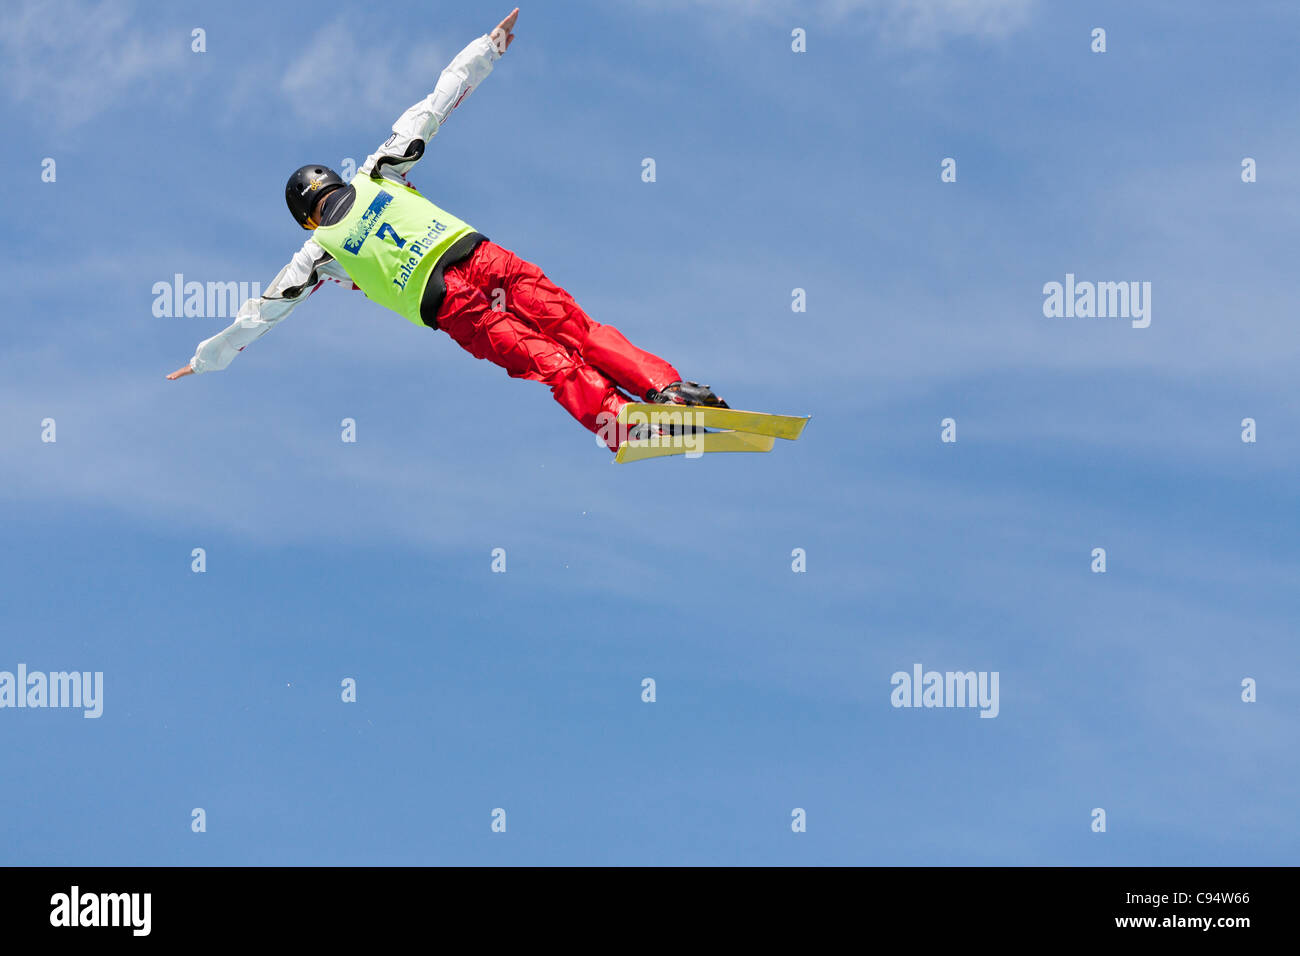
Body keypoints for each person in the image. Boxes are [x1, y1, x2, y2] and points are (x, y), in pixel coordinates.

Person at [167, 8, 726, 451]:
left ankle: (623, 420)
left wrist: (205, 359)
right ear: (333, 180)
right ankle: (667, 388)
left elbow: (258, 316)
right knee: (576, 328)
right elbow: (433, 107)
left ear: (305, 217)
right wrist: (489, 46)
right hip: (488, 262)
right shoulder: (380, 170)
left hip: (453, 306)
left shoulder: (316, 256)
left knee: (546, 359)